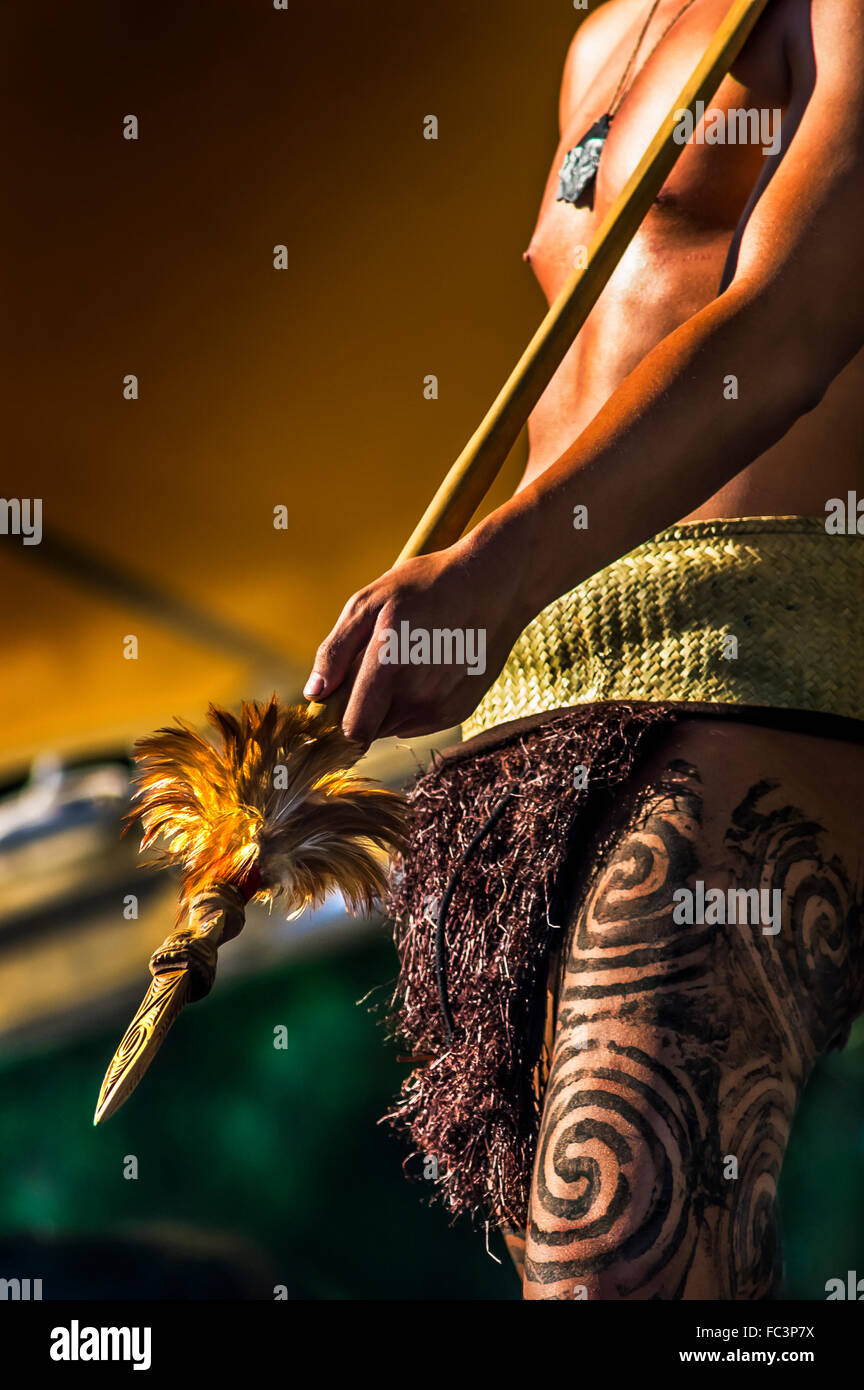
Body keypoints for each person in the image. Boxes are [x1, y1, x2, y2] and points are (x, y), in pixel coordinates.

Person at [304, 0, 864, 1299]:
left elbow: (797, 322)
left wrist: (496, 567)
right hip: (542, 697)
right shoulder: (605, 30)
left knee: (617, 1265)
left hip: (747, 654)